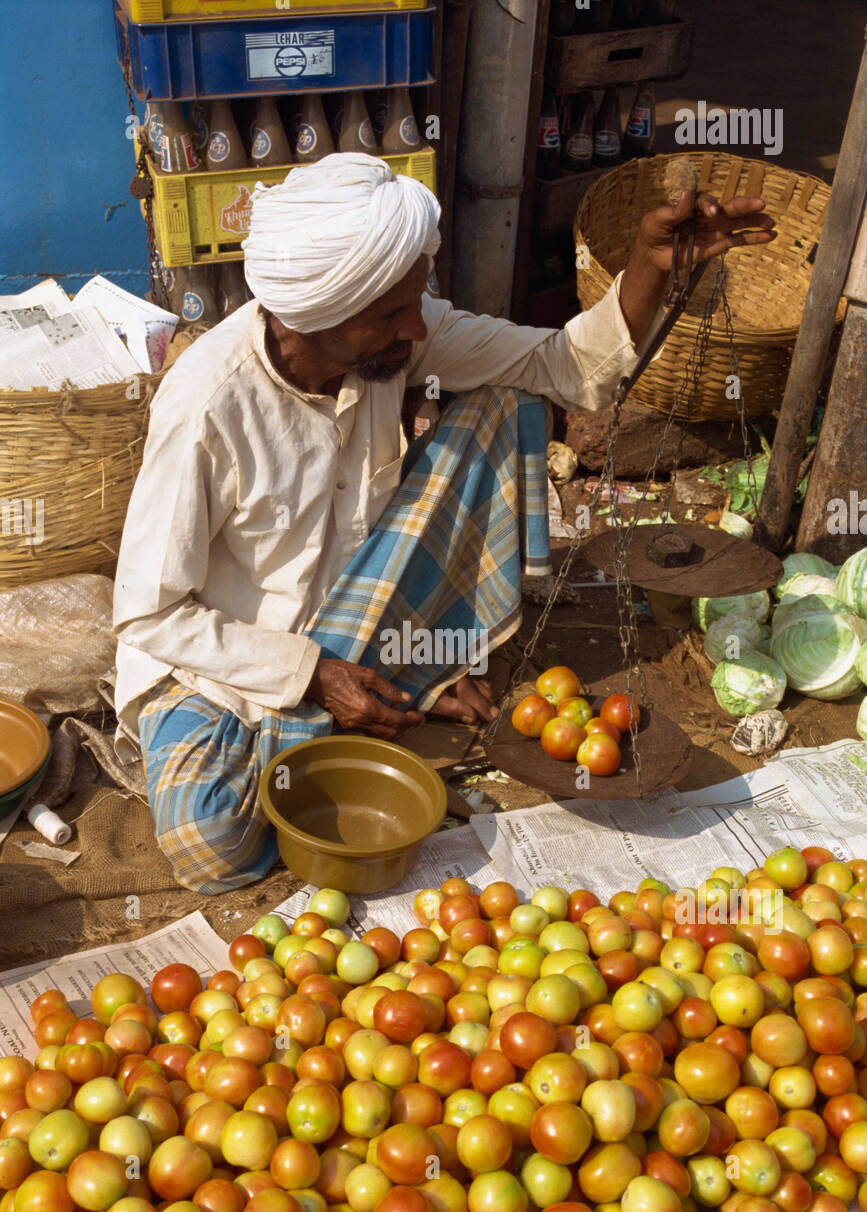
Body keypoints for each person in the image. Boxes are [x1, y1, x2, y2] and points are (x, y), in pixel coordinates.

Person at [112, 153, 775, 893]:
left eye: (416, 300)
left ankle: (396, 671)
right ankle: (373, 690)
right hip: (229, 655)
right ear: (317, 317)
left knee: (509, 404)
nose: (418, 325)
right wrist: (311, 674)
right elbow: (149, 616)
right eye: (393, 313)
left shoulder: (402, 338)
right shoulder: (204, 406)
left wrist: (650, 268)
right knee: (212, 848)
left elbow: (564, 368)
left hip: (366, 595)